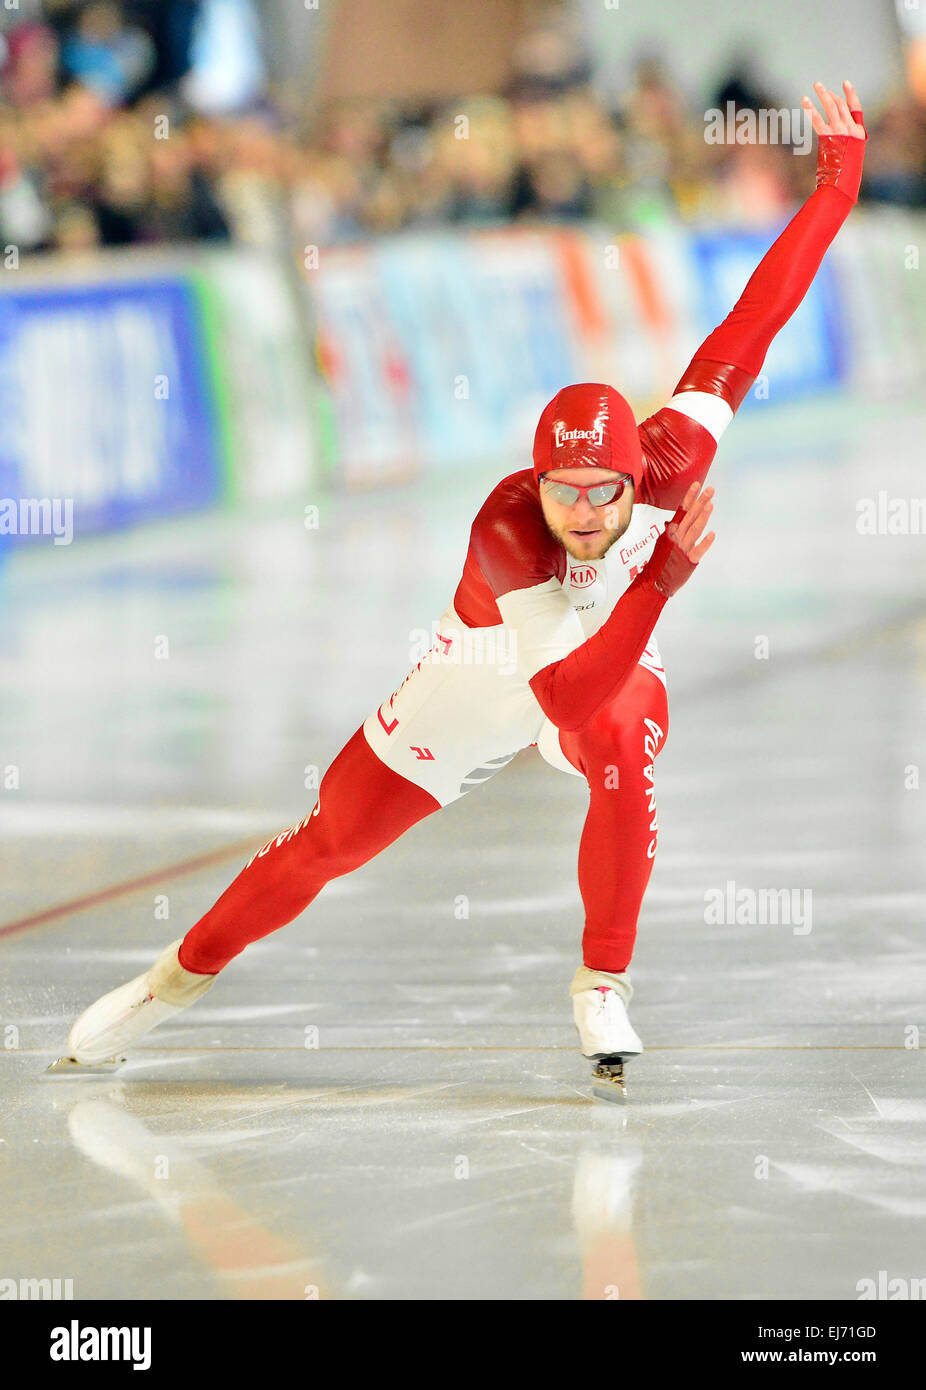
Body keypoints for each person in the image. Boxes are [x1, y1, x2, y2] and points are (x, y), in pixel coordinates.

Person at [54, 81, 867, 1091]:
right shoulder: (507, 524)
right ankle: (166, 984)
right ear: (537, 479)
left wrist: (834, 187)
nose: (580, 512)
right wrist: (654, 580)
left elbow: (757, 316)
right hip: (486, 668)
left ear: (635, 475)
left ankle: (598, 982)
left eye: (601, 493)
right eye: (561, 490)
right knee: (327, 844)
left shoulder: (677, 455)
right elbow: (551, 691)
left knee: (620, 734)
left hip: (607, 648)